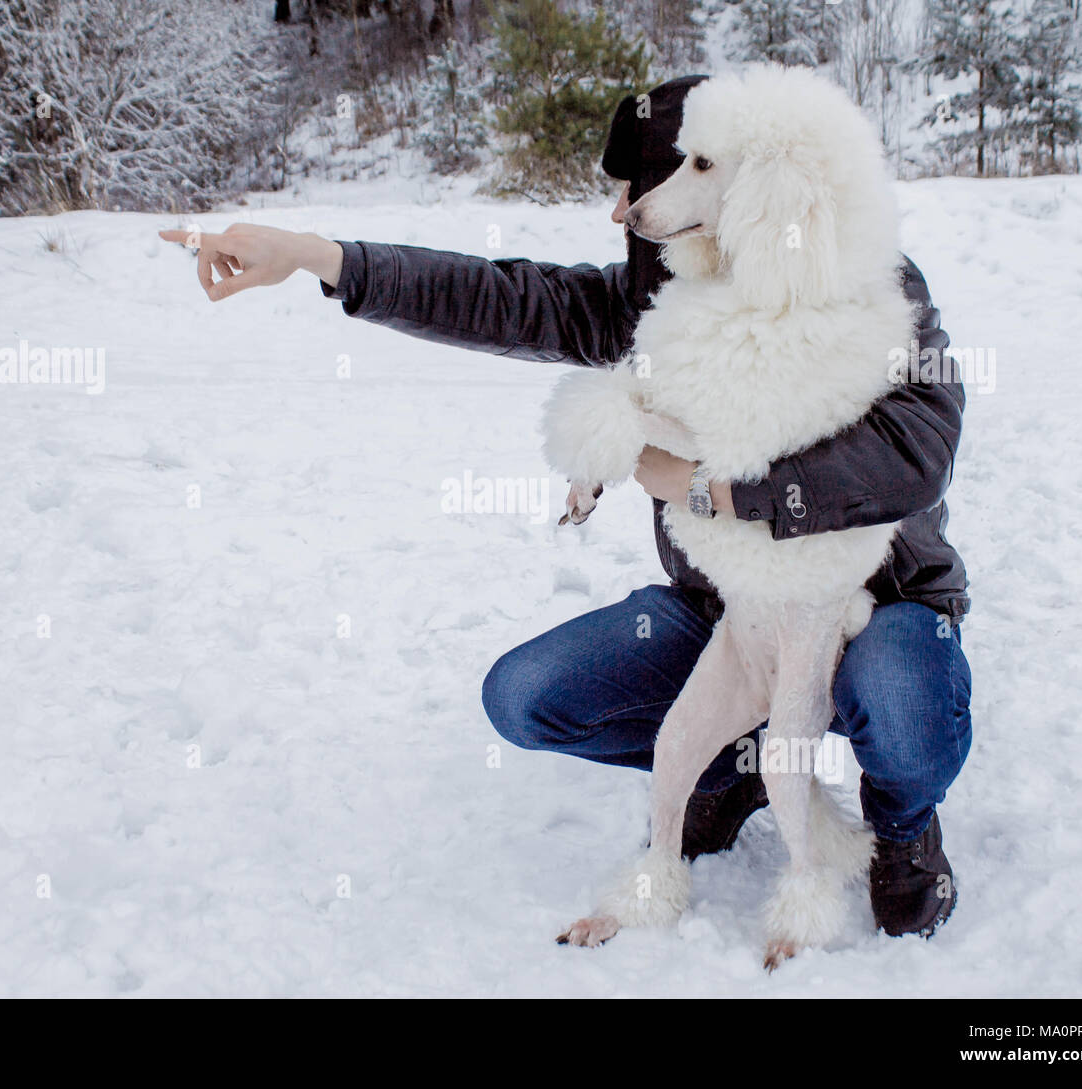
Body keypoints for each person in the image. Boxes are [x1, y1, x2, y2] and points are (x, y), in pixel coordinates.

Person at [158, 74, 972, 940]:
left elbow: (917, 450)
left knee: (898, 696)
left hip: (882, 601)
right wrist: (320, 257)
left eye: (634, 183)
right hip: (726, 609)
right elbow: (500, 295)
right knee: (528, 694)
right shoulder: (656, 302)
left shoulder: (867, 283)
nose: (621, 210)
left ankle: (902, 827)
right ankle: (731, 764)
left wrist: (712, 489)